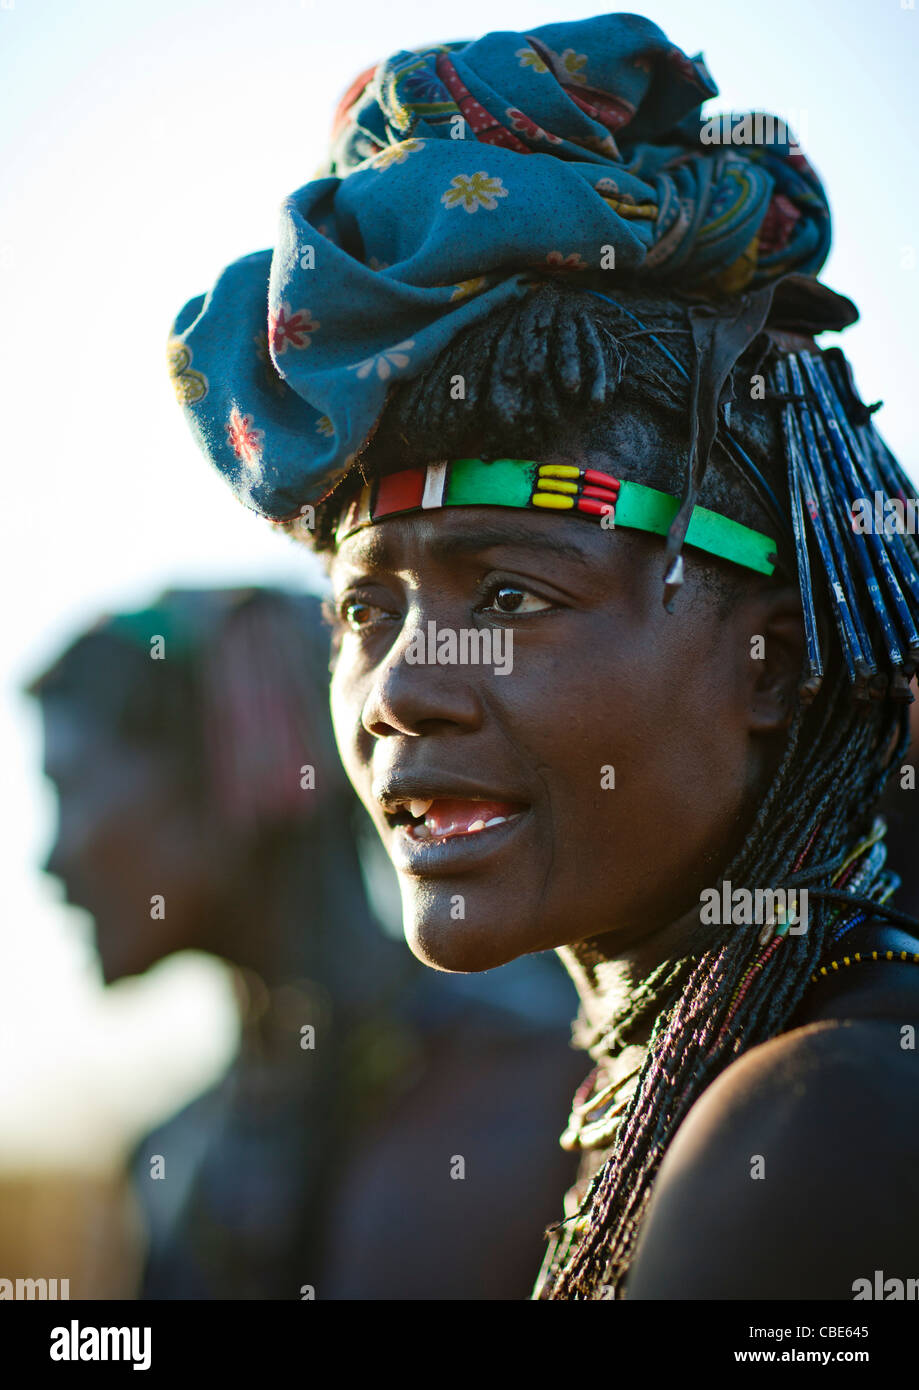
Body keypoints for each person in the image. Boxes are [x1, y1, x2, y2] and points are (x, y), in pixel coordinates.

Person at [166, 14, 919, 1299]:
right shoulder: (717, 1090)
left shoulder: (819, 1130)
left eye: (510, 592)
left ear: (775, 663)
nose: (400, 686)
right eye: (362, 612)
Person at [30, 586, 582, 1298]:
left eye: (68, 789)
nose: (51, 858)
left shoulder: (531, 1093)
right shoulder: (173, 1154)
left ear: (235, 774)